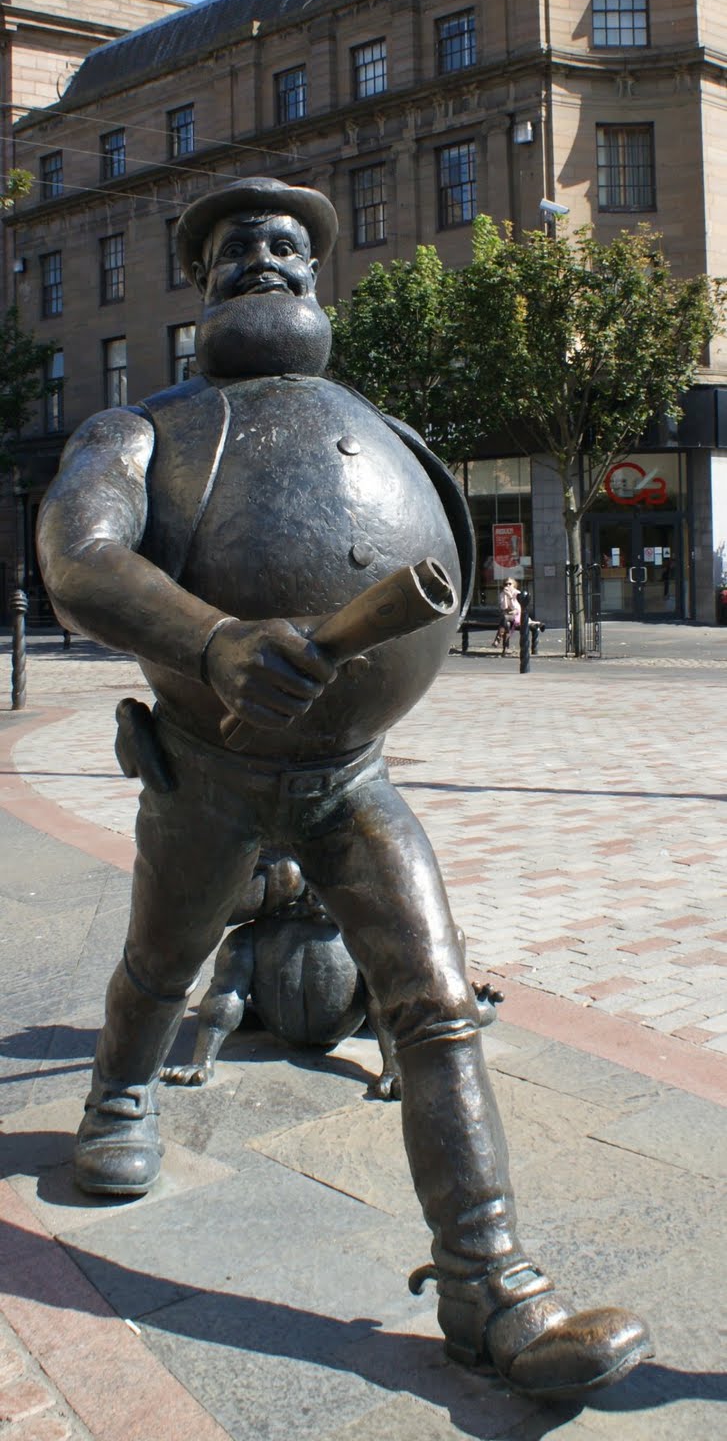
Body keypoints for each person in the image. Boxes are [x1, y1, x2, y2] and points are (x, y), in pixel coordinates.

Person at [37, 176, 650, 1403]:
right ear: (201, 285)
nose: (266, 259)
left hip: (350, 775)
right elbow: (78, 555)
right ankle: (118, 1096)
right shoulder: (141, 428)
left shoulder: (379, 423)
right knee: (162, 956)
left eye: (288, 245)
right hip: (207, 769)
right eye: (238, 248)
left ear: (319, 279)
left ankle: (490, 1287)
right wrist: (212, 639)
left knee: (433, 996)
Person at [494, 577, 521, 649]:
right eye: (506, 584)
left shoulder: (517, 593)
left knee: (505, 617)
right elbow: (504, 607)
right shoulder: (502, 594)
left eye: (510, 584)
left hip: (516, 615)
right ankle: (505, 647)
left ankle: (498, 638)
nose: (508, 585)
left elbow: (516, 608)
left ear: (514, 585)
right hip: (507, 616)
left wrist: (510, 597)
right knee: (507, 623)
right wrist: (505, 596)